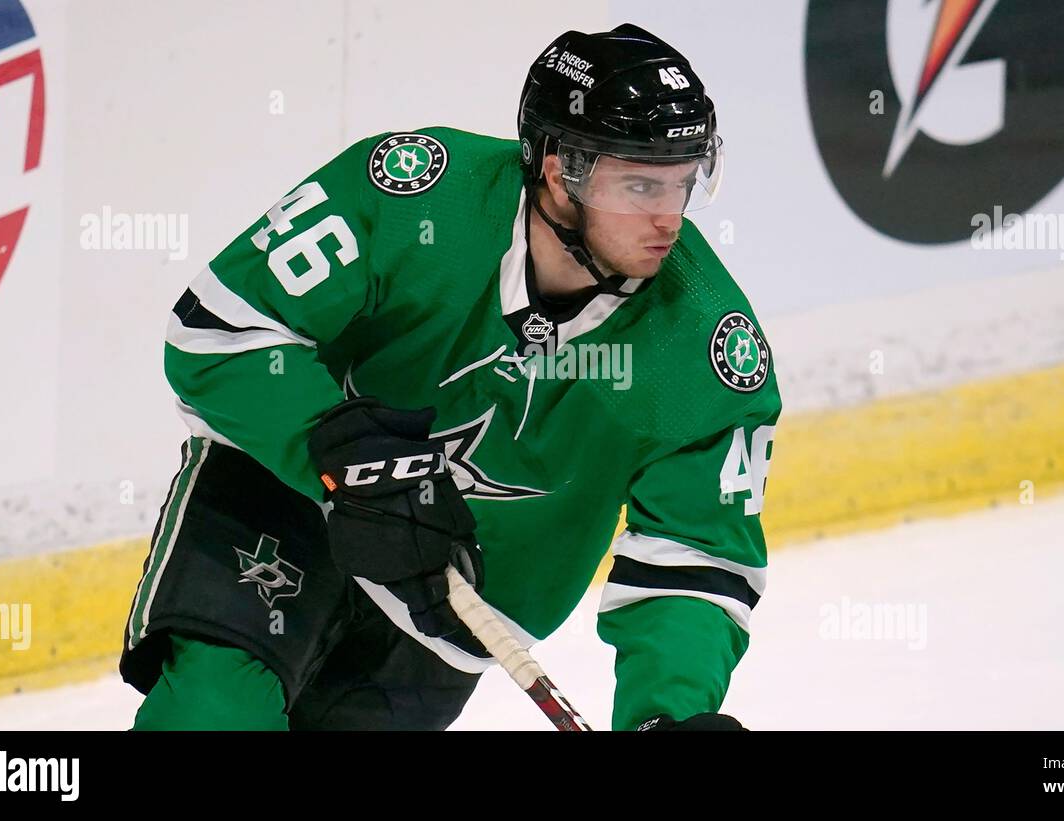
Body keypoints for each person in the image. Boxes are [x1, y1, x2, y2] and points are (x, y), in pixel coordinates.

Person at [119, 22, 780, 731]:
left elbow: (694, 559)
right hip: (288, 499)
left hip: (451, 599)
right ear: (560, 172)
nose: (668, 218)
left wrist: (666, 715)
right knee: (213, 717)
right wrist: (339, 449)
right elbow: (218, 329)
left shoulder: (710, 348)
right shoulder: (413, 194)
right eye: (641, 183)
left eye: (683, 181)